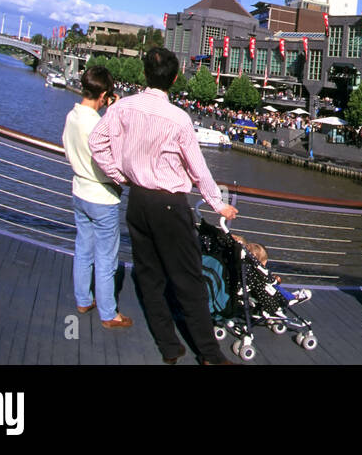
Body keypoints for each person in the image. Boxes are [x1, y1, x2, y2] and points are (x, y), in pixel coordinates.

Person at [89, 47, 238, 365]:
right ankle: (210, 354)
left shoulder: (123, 108)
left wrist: (120, 175)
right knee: (188, 279)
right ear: (173, 78)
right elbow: (199, 169)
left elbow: (95, 143)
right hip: (170, 206)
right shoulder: (179, 119)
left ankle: (169, 347)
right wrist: (218, 205)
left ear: (144, 74)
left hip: (138, 200)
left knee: (149, 275)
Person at [62, 65, 131, 329]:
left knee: (83, 248)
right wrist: (115, 111)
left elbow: (69, 151)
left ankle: (82, 299)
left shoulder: (71, 116)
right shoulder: (98, 125)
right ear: (103, 95)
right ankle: (108, 314)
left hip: (79, 190)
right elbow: (117, 156)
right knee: (106, 258)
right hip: (102, 196)